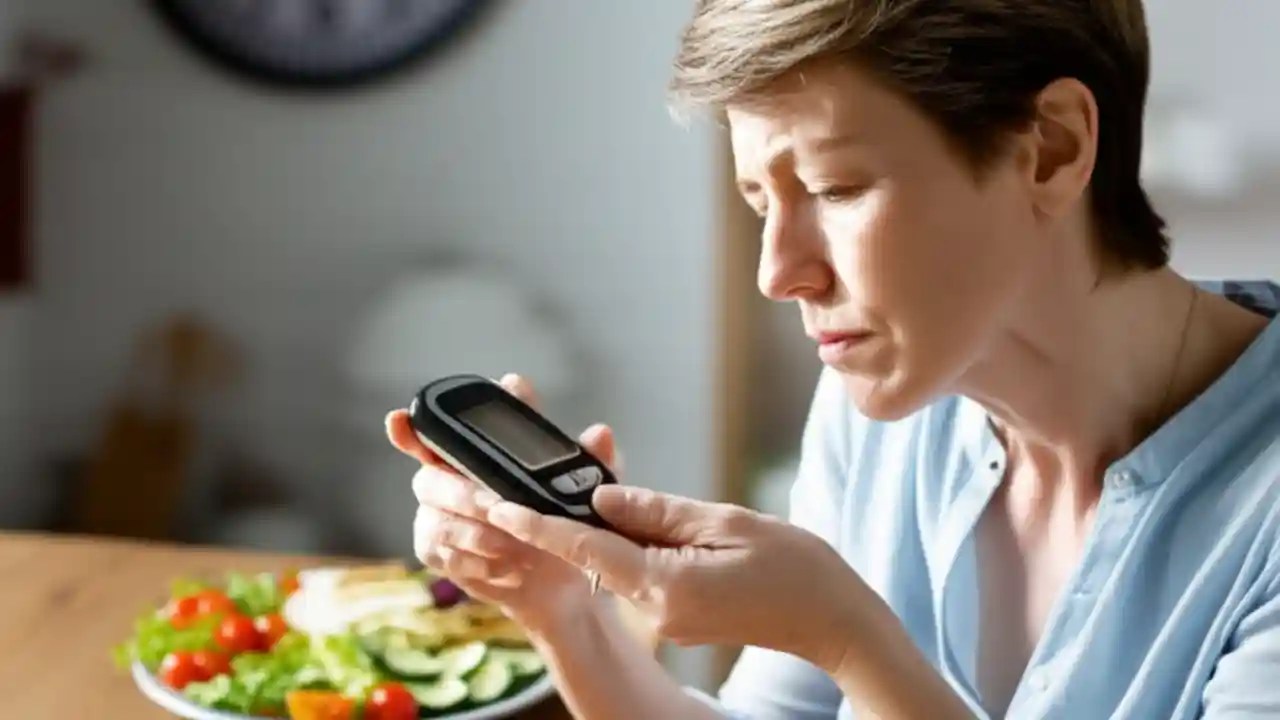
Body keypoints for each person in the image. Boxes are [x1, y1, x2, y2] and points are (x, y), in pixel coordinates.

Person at [385, 1, 1280, 718]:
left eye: (833, 189)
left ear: (1050, 148)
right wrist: (564, 614)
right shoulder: (878, 401)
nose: (780, 273)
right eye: (758, 201)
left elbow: (844, 646)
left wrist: (850, 640)